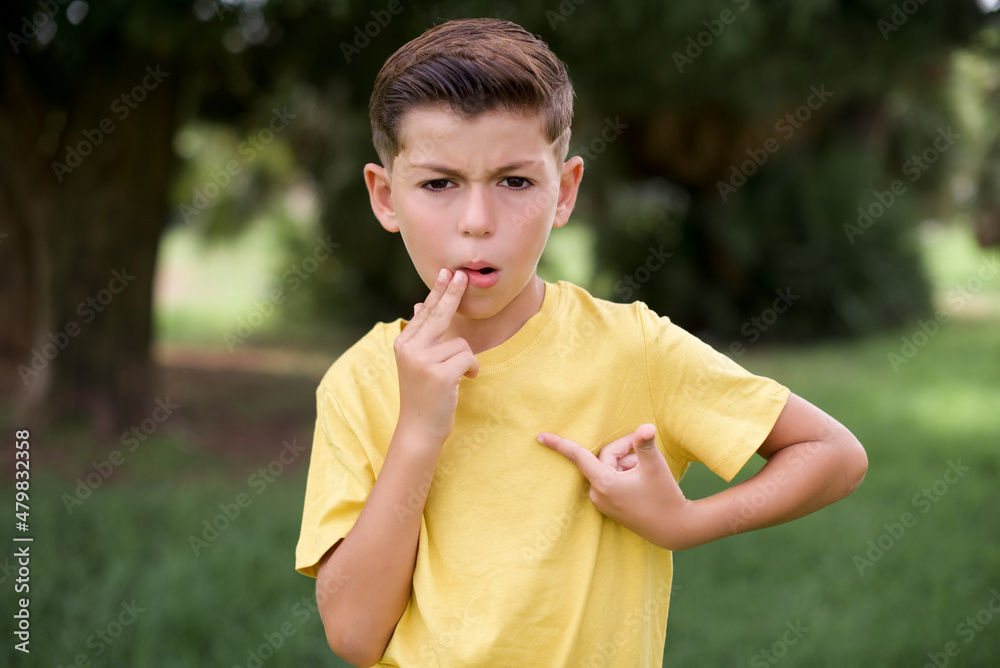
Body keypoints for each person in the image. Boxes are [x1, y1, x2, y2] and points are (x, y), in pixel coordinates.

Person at [295, 17, 868, 668]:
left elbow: (832, 454)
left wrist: (686, 524)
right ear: (385, 196)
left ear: (564, 191)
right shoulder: (358, 382)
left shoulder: (635, 349)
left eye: (514, 182)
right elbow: (354, 635)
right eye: (438, 184)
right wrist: (418, 431)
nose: (477, 222)